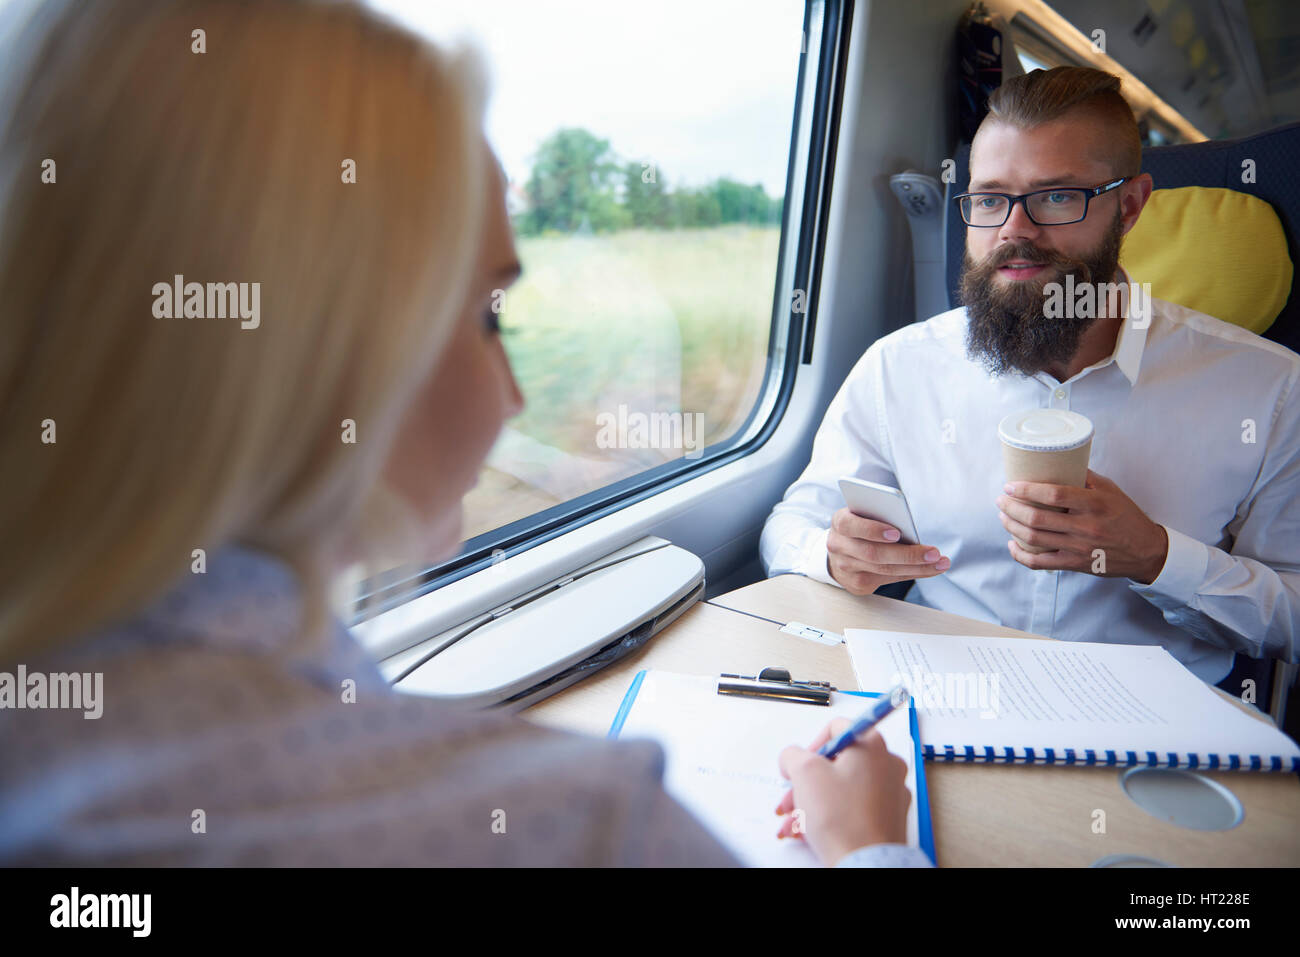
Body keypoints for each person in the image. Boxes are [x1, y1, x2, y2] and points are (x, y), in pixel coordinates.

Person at [0, 0, 929, 867]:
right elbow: (796, 521)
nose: (515, 398)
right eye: (490, 318)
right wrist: (871, 848)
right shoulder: (587, 826)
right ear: (320, 347)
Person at [762, 66, 1300, 686]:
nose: (1014, 231)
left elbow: (1290, 617)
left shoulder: (1270, 388)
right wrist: (833, 556)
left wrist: (1155, 558)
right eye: (989, 199)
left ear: (1129, 207)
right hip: (945, 702)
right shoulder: (898, 368)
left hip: (1152, 730)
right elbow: (791, 526)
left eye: (1056, 197)